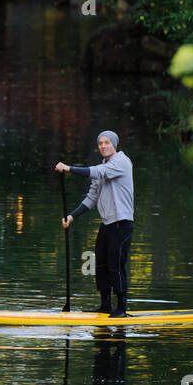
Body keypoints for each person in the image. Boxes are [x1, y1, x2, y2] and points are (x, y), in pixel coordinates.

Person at [55, 131, 134, 318]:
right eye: (100, 143)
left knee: (116, 263)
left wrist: (69, 169)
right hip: (107, 223)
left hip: (122, 223)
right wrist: (71, 216)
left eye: (107, 142)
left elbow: (97, 172)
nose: (103, 146)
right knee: (101, 264)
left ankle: (121, 309)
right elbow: (91, 197)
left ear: (114, 144)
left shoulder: (122, 162)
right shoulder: (103, 166)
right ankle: (106, 306)